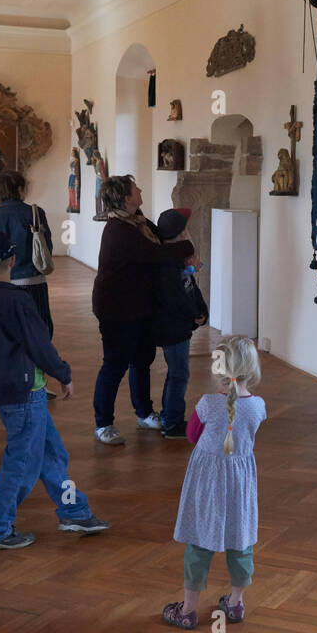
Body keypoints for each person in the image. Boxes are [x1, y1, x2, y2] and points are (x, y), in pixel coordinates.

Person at [0, 231, 109, 551]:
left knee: (52, 455)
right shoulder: (18, 300)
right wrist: (64, 374)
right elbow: (39, 345)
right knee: (21, 464)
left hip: (9, 395)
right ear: (14, 260)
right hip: (27, 393)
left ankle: (73, 510)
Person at [163, 336, 266, 630]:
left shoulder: (208, 403)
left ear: (218, 370)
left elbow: (192, 435)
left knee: (199, 539)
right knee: (241, 540)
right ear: (252, 370)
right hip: (240, 482)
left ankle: (188, 609)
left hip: (208, 481)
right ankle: (235, 603)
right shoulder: (258, 406)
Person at [91, 175, 194, 446]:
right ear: (126, 198)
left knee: (141, 362)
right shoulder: (118, 230)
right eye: (136, 188)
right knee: (114, 365)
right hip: (117, 309)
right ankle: (103, 423)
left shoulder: (138, 222)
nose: (140, 189)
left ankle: (144, 413)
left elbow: (159, 238)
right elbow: (156, 254)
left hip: (140, 306)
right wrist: (188, 246)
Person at [150, 208, 207, 439]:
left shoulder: (177, 259)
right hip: (173, 326)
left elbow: (190, 287)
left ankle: (169, 417)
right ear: (178, 233)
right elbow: (176, 297)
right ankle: (172, 422)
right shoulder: (167, 263)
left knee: (177, 373)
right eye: (184, 229)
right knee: (179, 373)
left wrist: (202, 311)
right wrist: (194, 314)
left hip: (179, 325)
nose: (187, 233)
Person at [0, 171, 55, 336]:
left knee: (6, 330)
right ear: (20, 189)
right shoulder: (35, 213)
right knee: (39, 329)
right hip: (32, 279)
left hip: (0, 281)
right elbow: (47, 247)